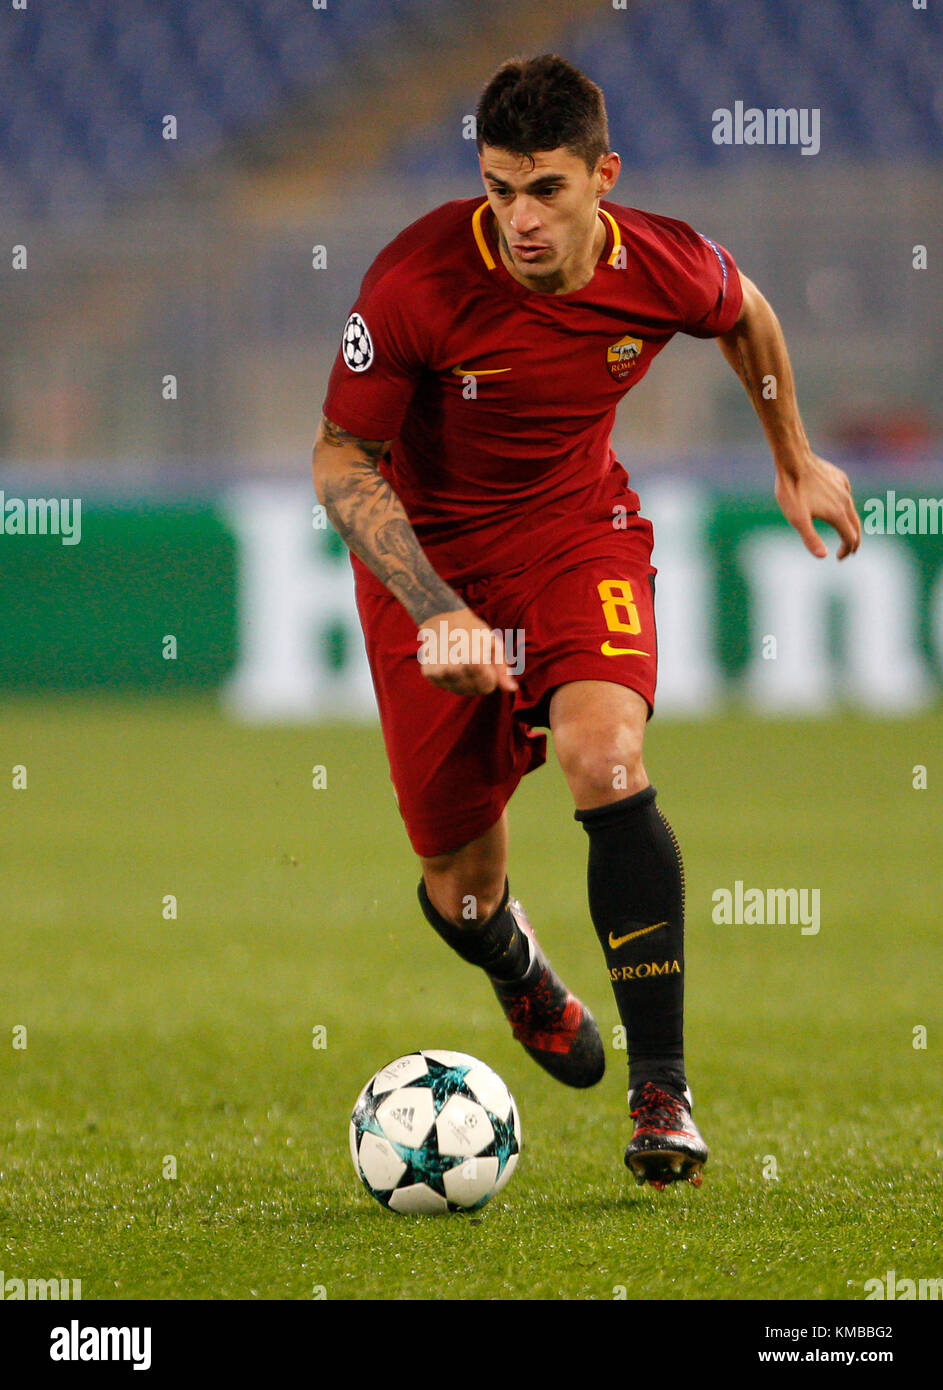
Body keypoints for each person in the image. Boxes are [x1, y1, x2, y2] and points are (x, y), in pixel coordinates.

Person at [312, 54, 861, 1189]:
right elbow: (339, 458)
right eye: (498, 187)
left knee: (606, 762)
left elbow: (746, 315)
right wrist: (436, 606)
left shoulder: (658, 262)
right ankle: (517, 968)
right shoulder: (414, 280)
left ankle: (661, 1091)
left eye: (545, 189)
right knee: (459, 883)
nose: (517, 217)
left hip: (577, 535)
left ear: (602, 177)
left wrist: (793, 458)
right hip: (432, 565)